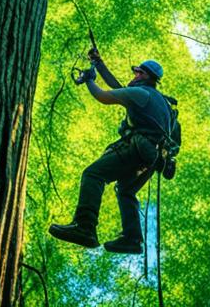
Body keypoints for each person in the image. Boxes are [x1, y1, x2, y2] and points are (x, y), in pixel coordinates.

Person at [49, 48, 176, 254]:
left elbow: (104, 95)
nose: (133, 75)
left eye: (137, 72)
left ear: (145, 76)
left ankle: (85, 227)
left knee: (93, 174)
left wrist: (90, 79)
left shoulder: (139, 93)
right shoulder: (158, 101)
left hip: (134, 148)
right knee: (126, 191)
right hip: (150, 158)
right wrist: (98, 64)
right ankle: (133, 239)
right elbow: (117, 87)